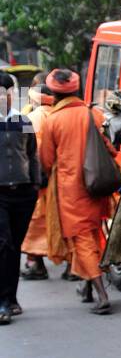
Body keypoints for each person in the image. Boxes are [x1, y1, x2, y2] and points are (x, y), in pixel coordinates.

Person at [38, 67, 118, 316]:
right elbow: (111, 149)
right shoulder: (92, 113)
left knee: (82, 239)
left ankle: (102, 295)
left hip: (71, 189)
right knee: (92, 235)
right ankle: (87, 288)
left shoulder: (53, 120)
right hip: (97, 185)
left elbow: (46, 160)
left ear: (53, 92)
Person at [0, 71, 42, 324]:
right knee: (3, 244)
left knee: (13, 246)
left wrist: (35, 185)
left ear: (12, 94)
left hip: (24, 193)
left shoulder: (22, 120)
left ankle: (11, 298)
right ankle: (2, 302)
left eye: (6, 92)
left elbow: (33, 154)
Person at [20, 79, 60, 279]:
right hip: (61, 180)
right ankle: (72, 267)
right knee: (61, 222)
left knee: (34, 224)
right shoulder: (58, 116)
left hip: (37, 180)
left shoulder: (29, 119)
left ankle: (36, 263)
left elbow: (27, 152)